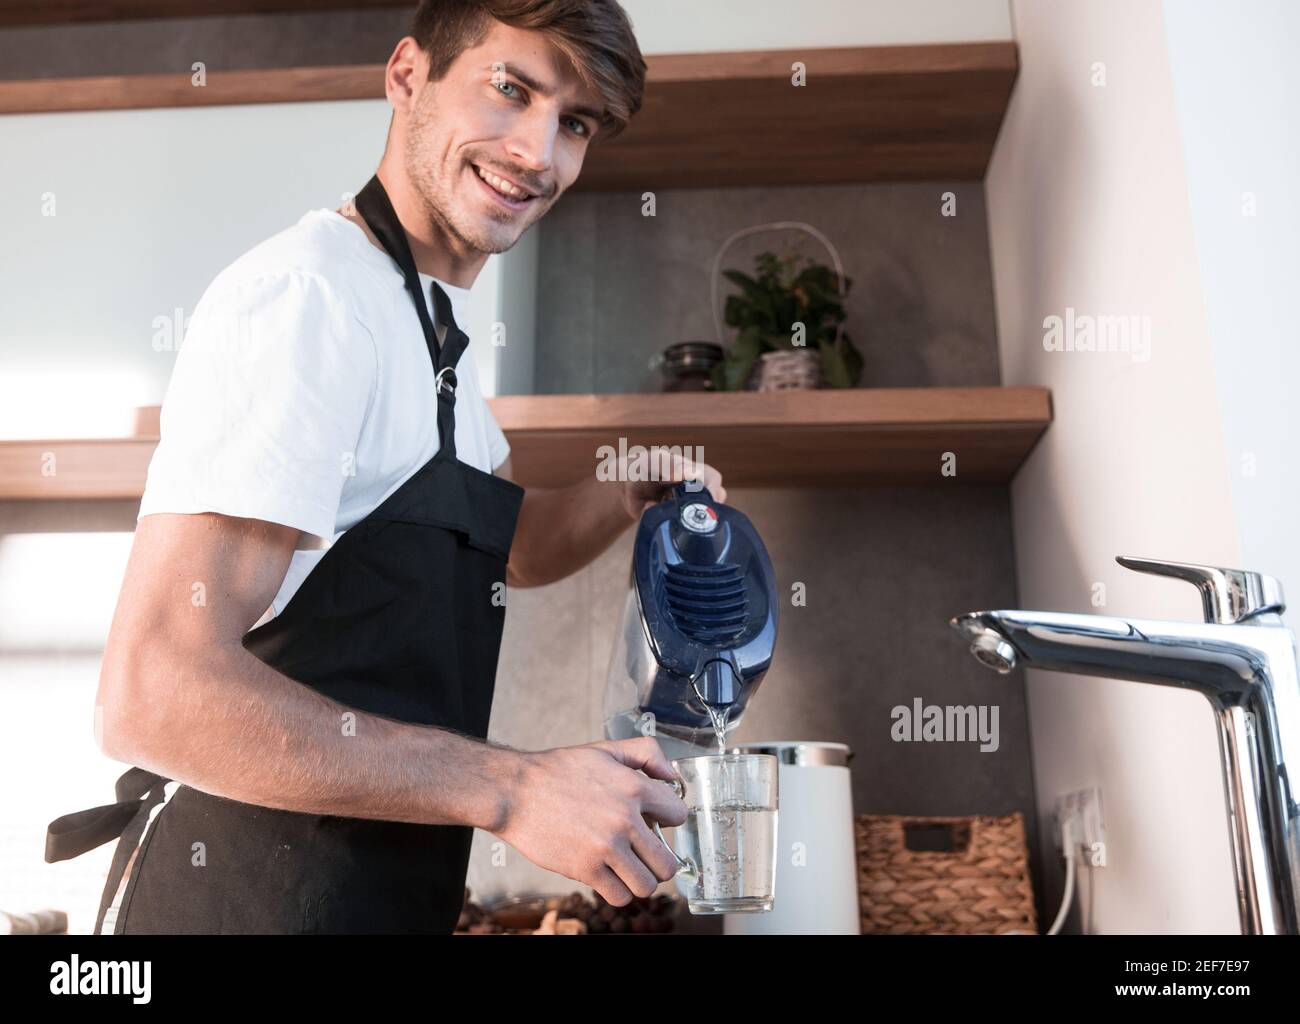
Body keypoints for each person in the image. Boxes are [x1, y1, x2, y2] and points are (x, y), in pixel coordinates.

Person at [45, 0, 727, 934]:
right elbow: (155, 695)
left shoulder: (436, 335)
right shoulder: (309, 300)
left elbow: (509, 547)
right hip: (240, 903)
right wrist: (517, 788)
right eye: (511, 90)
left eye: (574, 123)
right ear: (408, 76)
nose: (539, 152)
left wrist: (624, 489)